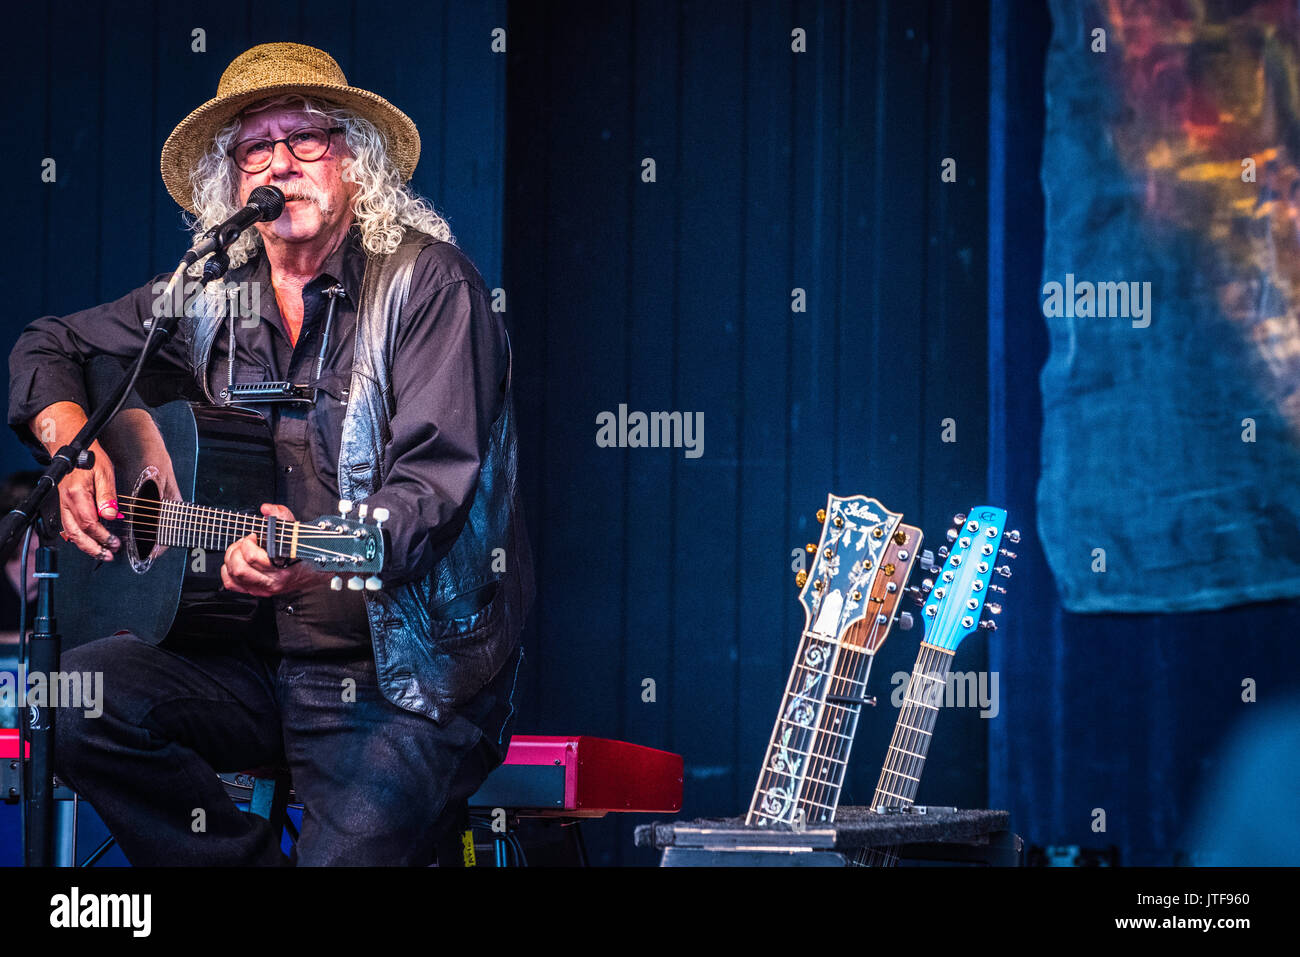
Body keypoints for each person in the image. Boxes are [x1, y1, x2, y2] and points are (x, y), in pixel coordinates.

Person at [5, 42, 533, 865]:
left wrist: (317, 560)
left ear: (355, 160)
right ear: (233, 177)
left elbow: (430, 491)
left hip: (400, 677)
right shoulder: (214, 292)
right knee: (78, 697)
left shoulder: (431, 289)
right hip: (245, 657)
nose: (281, 164)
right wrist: (72, 448)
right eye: (257, 147)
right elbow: (50, 343)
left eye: (307, 139)